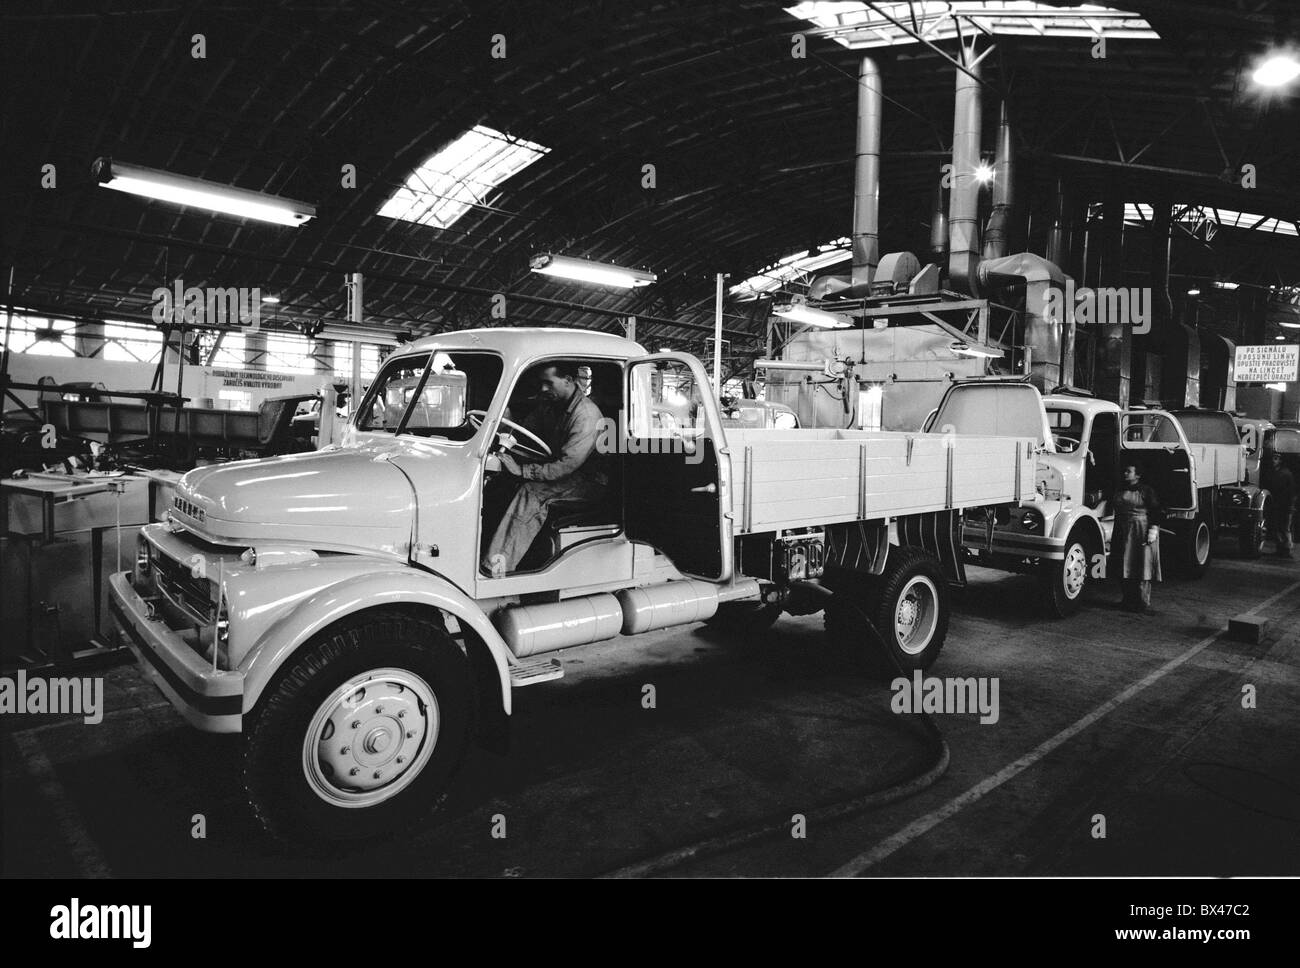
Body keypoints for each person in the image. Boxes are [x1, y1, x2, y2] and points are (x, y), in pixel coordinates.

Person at [481, 362, 607, 576]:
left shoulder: (586, 416)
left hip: (589, 481)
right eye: (541, 384)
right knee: (500, 482)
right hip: (563, 469)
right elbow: (527, 429)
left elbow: (567, 465)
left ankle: (495, 569)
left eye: (549, 383)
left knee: (531, 493)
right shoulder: (551, 404)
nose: (543, 389)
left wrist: (523, 471)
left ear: (568, 380)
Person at [1109, 463, 1163, 612]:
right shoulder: (1119, 489)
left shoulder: (1146, 491)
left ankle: (1142, 603)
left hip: (1140, 530)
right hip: (1121, 529)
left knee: (1141, 565)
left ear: (1137, 475)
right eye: (1125, 471)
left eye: (1129, 471)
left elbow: (1156, 510)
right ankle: (1127, 600)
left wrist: (1153, 530)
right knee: (1123, 564)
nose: (1125, 473)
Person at [1263, 450, 1295, 559]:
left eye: (1276, 459)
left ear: (1280, 461)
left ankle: (1286, 550)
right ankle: (1281, 549)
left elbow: (1289, 492)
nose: (1273, 461)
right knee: (1279, 528)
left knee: (1284, 528)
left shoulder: (1284, 474)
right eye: (1273, 458)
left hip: (1284, 506)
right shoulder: (1277, 473)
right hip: (1279, 505)